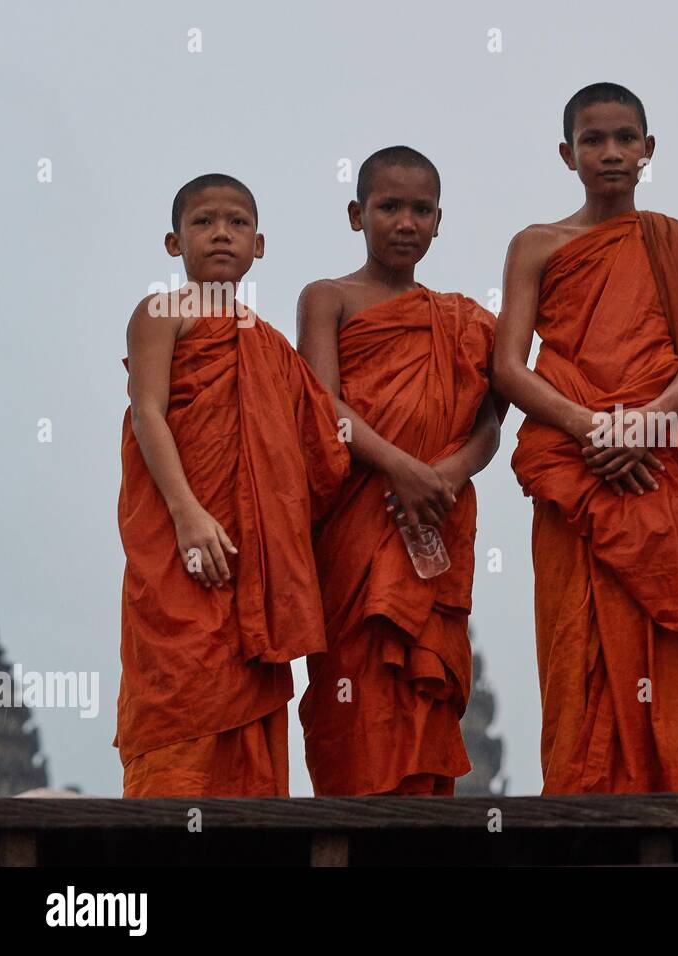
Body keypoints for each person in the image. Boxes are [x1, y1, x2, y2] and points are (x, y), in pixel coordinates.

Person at [493, 83, 678, 801]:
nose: (610, 152)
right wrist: (591, 428)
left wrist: (643, 423)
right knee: (574, 637)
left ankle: (669, 807)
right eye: (593, 140)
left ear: (649, 149)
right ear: (567, 153)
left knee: (661, 632)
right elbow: (507, 366)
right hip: (572, 466)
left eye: (624, 138)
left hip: (660, 463)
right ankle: (582, 813)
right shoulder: (538, 245)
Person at [117, 174, 348, 796]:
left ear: (260, 244)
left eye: (237, 222)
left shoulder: (272, 348)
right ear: (174, 243)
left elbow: (317, 457)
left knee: (245, 712)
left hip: (252, 565)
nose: (221, 233)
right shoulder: (162, 311)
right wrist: (188, 515)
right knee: (180, 682)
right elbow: (147, 414)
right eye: (203, 221)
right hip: (178, 545)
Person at [296, 147, 501, 796]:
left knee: (424, 673)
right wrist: (401, 467)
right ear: (357, 214)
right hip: (359, 521)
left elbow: (490, 426)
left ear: (440, 220)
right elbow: (322, 403)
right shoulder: (327, 298)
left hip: (434, 516)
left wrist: (446, 475)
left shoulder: (466, 322)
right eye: (389, 207)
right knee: (356, 674)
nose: (405, 222)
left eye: (420, 209)